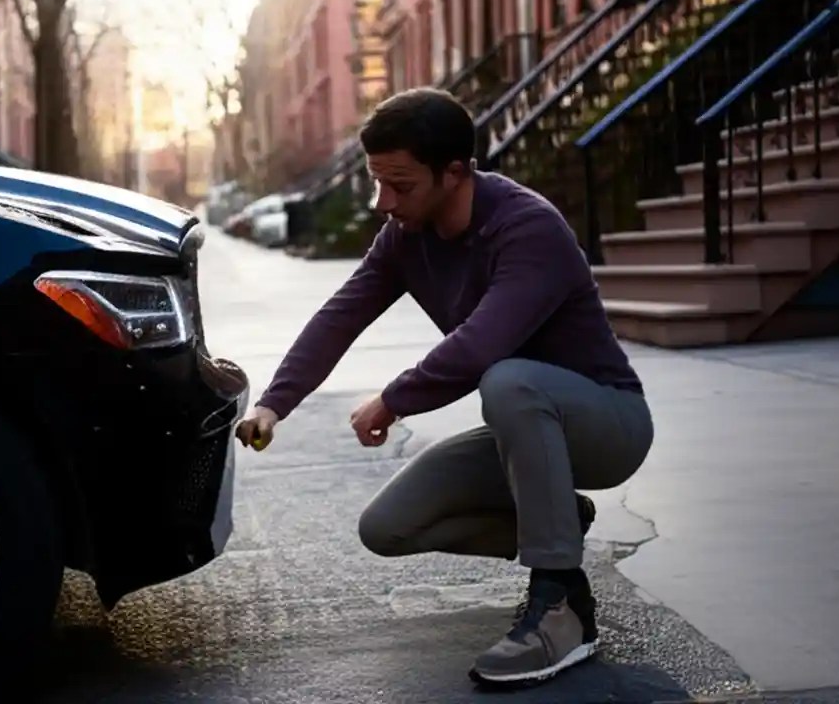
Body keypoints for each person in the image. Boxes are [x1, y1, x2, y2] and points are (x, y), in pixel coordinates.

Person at [234, 87, 654, 686]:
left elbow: (481, 345)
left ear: (455, 172)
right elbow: (341, 314)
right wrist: (277, 402)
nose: (384, 201)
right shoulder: (408, 236)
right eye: (377, 182)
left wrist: (394, 398)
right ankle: (559, 525)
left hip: (608, 424)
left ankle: (560, 611)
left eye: (400, 185)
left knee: (507, 380)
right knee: (387, 527)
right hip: (526, 426)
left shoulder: (528, 228)